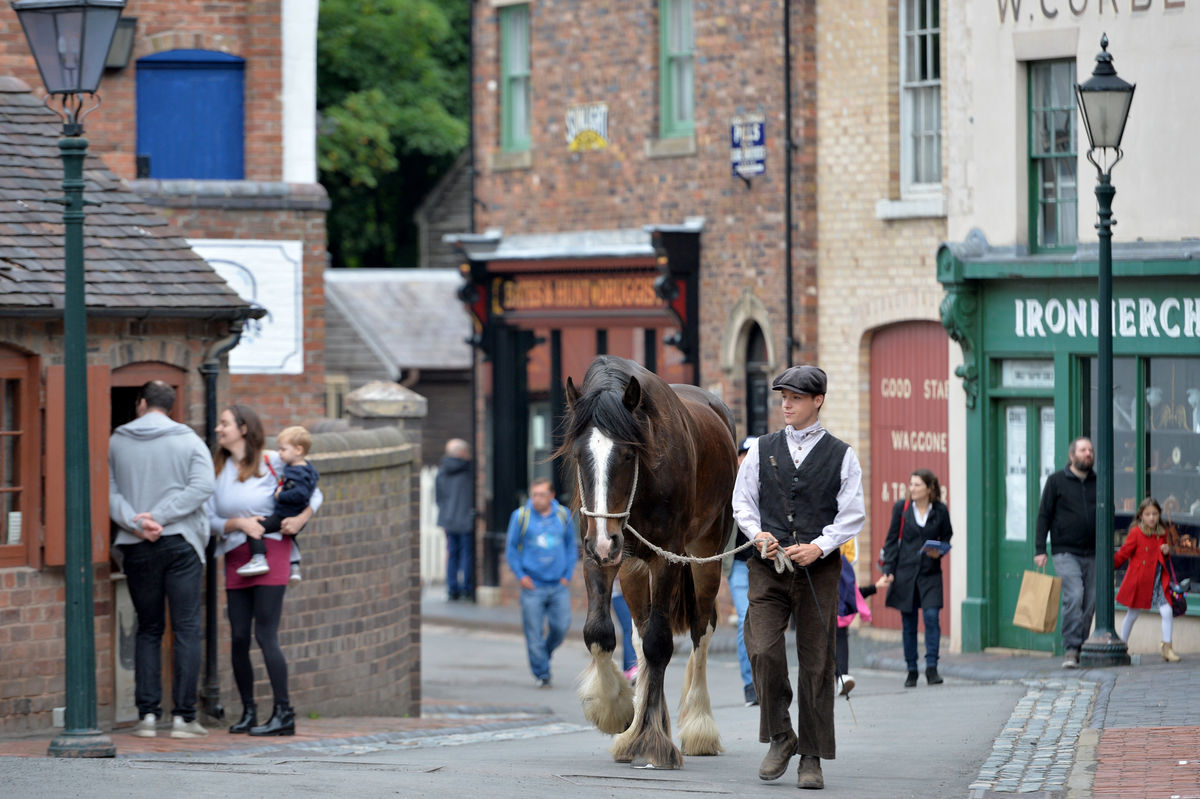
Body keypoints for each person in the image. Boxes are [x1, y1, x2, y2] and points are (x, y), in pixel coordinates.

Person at [732, 365, 866, 791]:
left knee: (816, 661)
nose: (786, 404)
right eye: (783, 397)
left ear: (818, 401)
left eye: (795, 397)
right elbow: (742, 502)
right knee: (763, 649)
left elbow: (852, 514)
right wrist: (758, 534)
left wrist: (819, 546)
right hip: (767, 569)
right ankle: (780, 735)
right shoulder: (761, 449)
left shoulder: (842, 454)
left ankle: (811, 756)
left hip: (818, 572)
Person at [108, 380, 216, 739]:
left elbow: (108, 492)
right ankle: (184, 719)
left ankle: (148, 717)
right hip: (181, 542)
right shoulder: (189, 441)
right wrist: (163, 516)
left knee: (148, 628)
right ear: (170, 406)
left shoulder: (116, 440)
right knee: (185, 627)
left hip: (137, 543)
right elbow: (203, 487)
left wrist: (139, 521)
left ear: (140, 404)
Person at [207, 405, 322, 736]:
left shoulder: (273, 461)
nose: (218, 429)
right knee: (240, 637)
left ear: (244, 428)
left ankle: (284, 713)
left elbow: (315, 491)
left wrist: (300, 520)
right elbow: (209, 519)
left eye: (224, 423)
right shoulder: (216, 470)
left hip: (272, 549)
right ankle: (248, 712)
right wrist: (237, 523)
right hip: (234, 554)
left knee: (265, 634)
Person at [880, 469, 954, 688]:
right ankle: (911, 669)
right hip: (905, 573)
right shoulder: (901, 509)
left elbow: (948, 535)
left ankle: (932, 668)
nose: (912, 488)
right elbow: (892, 540)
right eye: (910, 484)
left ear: (929, 488)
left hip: (930, 572)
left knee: (932, 617)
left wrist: (939, 550)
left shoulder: (940, 510)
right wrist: (889, 569)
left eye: (917, 485)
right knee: (909, 623)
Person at [504, 477, 578, 688]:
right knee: (533, 632)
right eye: (534, 494)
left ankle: (542, 655)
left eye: (542, 495)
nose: (537, 499)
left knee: (561, 626)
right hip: (532, 585)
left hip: (558, 585)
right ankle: (542, 673)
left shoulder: (563, 515)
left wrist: (567, 574)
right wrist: (521, 576)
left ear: (552, 496)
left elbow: (571, 546)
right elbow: (511, 549)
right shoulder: (520, 517)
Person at [1034, 436, 1097, 670]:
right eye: (1083, 450)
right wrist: (1040, 548)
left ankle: (1080, 646)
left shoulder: (1099, 481)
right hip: (1065, 551)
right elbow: (1044, 515)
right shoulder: (1056, 481)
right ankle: (1071, 648)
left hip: (1093, 552)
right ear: (1072, 456)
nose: (1088, 454)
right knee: (1075, 595)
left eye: (1090, 450)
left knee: (1090, 601)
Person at [236, 426, 319, 578]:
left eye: (283, 449)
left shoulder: (297, 471)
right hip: (294, 513)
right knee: (291, 538)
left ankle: (259, 558)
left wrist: (280, 496)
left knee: (256, 528)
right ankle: (294, 568)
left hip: (285, 513)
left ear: (298, 450)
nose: (280, 453)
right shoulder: (308, 468)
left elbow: (300, 494)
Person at [1115, 497, 1182, 662]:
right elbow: (1124, 553)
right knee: (1132, 614)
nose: (1152, 517)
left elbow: (1162, 557)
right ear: (1141, 516)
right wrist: (1109, 565)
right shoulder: (1136, 533)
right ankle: (1122, 646)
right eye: (1148, 514)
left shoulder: (1162, 532)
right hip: (1141, 580)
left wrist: (1166, 551)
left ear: (1159, 515)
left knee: (1166, 611)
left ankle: (1167, 648)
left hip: (1158, 580)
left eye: (1155, 513)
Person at [834, 552, 890, 698]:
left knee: (837, 634)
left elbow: (852, 593)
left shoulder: (840, 561)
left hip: (834, 613)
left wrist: (875, 587)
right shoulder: (839, 560)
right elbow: (852, 593)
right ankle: (838, 677)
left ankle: (841, 677)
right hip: (820, 611)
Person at [730, 435, 758, 707]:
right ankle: (750, 683)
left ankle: (766, 681)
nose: (748, 460)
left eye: (753, 456)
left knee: (765, 623)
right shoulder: (727, 486)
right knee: (743, 620)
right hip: (738, 566)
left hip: (764, 564)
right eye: (744, 455)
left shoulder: (769, 488)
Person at [435, 438, 475, 601]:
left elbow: (438, 497)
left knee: (452, 554)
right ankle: (466, 587)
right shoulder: (468, 470)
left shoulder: (441, 471)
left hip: (448, 519)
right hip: (465, 518)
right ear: (462, 453)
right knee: (467, 554)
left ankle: (452, 588)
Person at [611, 575, 637, 681]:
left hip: (637, 593)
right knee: (629, 628)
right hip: (619, 594)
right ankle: (632, 667)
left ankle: (627, 670)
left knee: (634, 629)